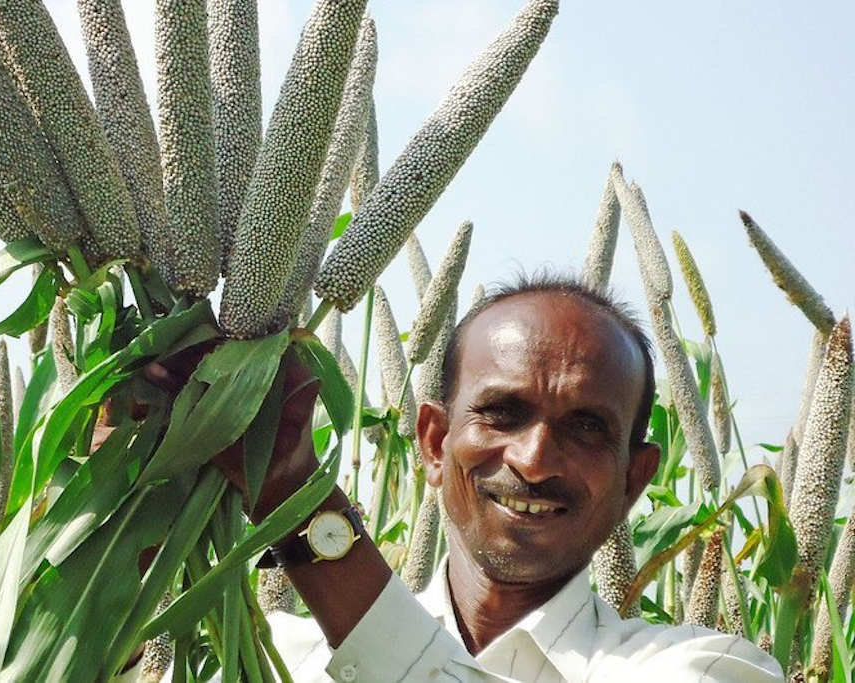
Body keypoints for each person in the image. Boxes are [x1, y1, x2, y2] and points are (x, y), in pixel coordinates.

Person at [137, 274, 783, 682]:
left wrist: (298, 499)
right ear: (434, 442)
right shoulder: (275, 656)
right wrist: (129, 510)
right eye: (503, 413)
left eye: (587, 427)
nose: (534, 459)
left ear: (634, 479)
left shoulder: (708, 668)